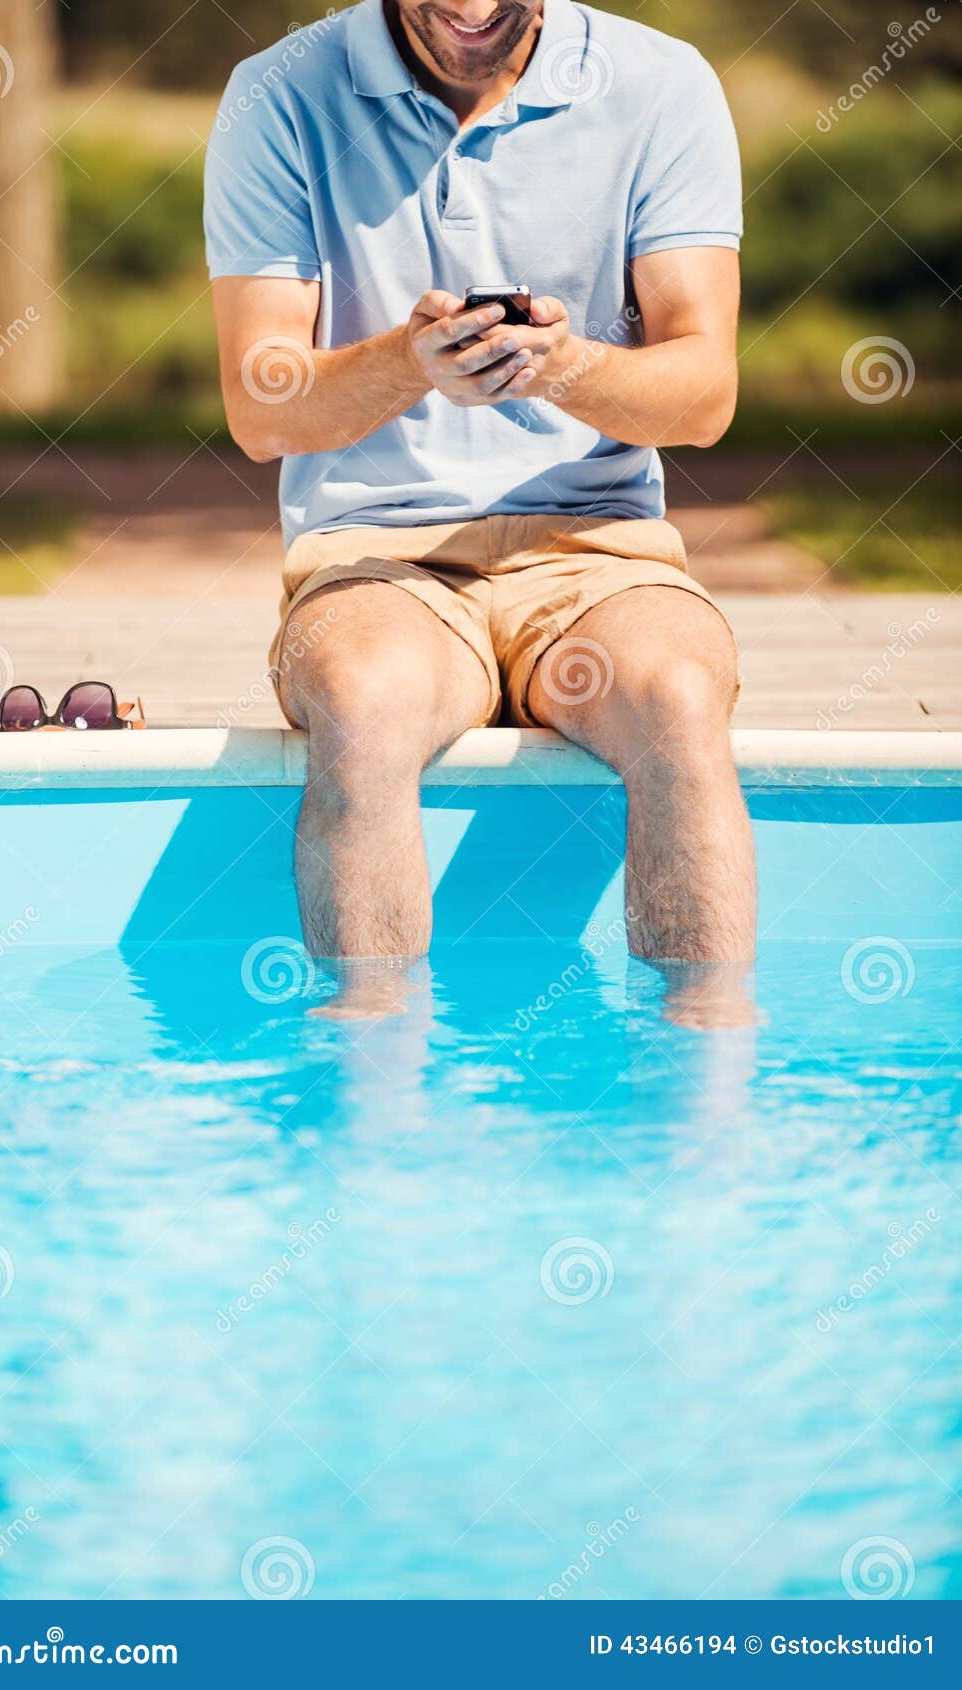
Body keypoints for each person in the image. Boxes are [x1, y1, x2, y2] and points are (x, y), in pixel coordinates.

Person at [205, 0, 757, 1011]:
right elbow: (259, 404)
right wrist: (407, 363)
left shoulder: (663, 83)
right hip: (378, 557)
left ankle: (706, 1086)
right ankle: (373, 1098)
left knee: (679, 692)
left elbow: (706, 391)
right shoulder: (279, 95)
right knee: (365, 701)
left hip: (598, 552)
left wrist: (568, 366)